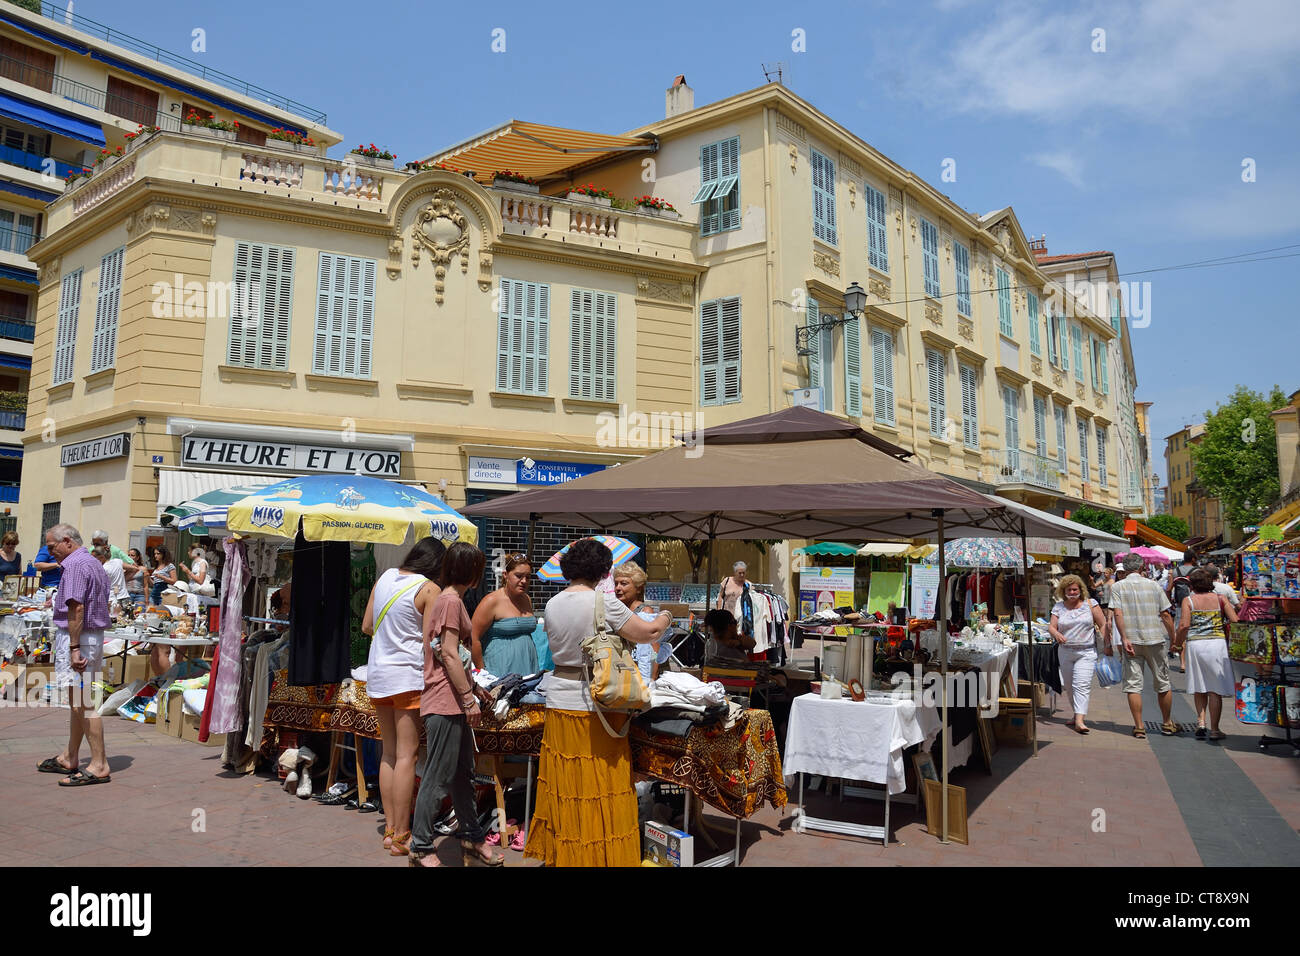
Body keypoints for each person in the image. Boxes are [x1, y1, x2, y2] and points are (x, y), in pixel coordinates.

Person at [525, 538, 671, 867]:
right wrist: (664, 617)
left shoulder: (552, 604)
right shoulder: (603, 604)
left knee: (568, 782)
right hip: (596, 704)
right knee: (601, 782)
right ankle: (597, 856)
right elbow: (647, 633)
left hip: (559, 697)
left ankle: (569, 853)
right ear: (603, 571)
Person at [409, 542, 501, 868]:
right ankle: (420, 845)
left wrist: (474, 687)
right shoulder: (449, 601)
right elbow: (448, 652)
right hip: (445, 702)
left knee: (463, 773)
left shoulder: (450, 600)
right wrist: (467, 697)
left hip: (453, 700)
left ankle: (472, 838)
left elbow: (451, 654)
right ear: (471, 571)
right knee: (439, 774)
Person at [361, 537, 445, 857]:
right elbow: (430, 644)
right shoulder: (428, 589)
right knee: (408, 756)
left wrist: (392, 633)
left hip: (378, 674)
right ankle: (401, 836)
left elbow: (368, 625)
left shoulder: (384, 578)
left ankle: (390, 831)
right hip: (408, 677)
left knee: (389, 754)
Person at [36, 524, 112, 786]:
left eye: (51, 547)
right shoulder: (90, 562)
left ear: (66, 541)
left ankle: (99, 763)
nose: (50, 553)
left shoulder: (76, 565)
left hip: (80, 638)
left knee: (83, 702)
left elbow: (76, 609)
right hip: (87, 637)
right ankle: (70, 756)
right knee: (77, 702)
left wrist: (74, 647)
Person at [1110, 553, 1178, 738]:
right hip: (1154, 639)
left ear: (1125, 568)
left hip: (1131, 640)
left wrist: (1124, 637)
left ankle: (1139, 726)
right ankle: (1167, 723)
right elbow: (1165, 615)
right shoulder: (1154, 585)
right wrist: (1174, 639)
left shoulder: (1117, 587)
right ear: (1142, 567)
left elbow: (1118, 613)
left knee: (1133, 685)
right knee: (1163, 683)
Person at [1174, 567, 1239, 740]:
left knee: (1199, 685)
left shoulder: (1188, 600)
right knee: (1214, 689)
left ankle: (1201, 723)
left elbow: (1184, 626)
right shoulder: (1220, 598)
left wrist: (1177, 644)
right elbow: (1235, 621)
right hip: (1217, 645)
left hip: (1196, 645)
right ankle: (1215, 729)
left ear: (1192, 585)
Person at [1049, 575, 1107, 734]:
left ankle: (1080, 720)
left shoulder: (1091, 604)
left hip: (1087, 651)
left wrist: (1106, 644)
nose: (1072, 592)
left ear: (1080, 590)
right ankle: (1076, 714)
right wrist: (1056, 634)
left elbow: (1103, 624)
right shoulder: (1058, 607)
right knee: (1069, 686)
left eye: (1075, 589)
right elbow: (1052, 626)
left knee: (1081, 685)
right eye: (1069, 590)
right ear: (1063, 591)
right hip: (1065, 651)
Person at [470, 552, 537, 677]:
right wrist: (482, 672)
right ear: (505, 575)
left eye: (528, 577)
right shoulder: (491, 601)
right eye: (519, 576)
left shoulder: (526, 599)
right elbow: (473, 638)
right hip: (499, 670)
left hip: (528, 667)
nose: (524, 581)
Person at [613, 563, 659, 682]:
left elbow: (654, 648)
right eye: (616, 583)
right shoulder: (615, 610)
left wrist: (652, 677)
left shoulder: (645, 612)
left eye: (624, 583)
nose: (617, 588)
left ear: (638, 588)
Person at [92, 545, 136, 615]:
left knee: (113, 622)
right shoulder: (118, 561)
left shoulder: (102, 568)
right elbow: (134, 569)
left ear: (101, 557)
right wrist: (123, 579)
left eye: (94, 558)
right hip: (124, 596)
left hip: (111, 599)